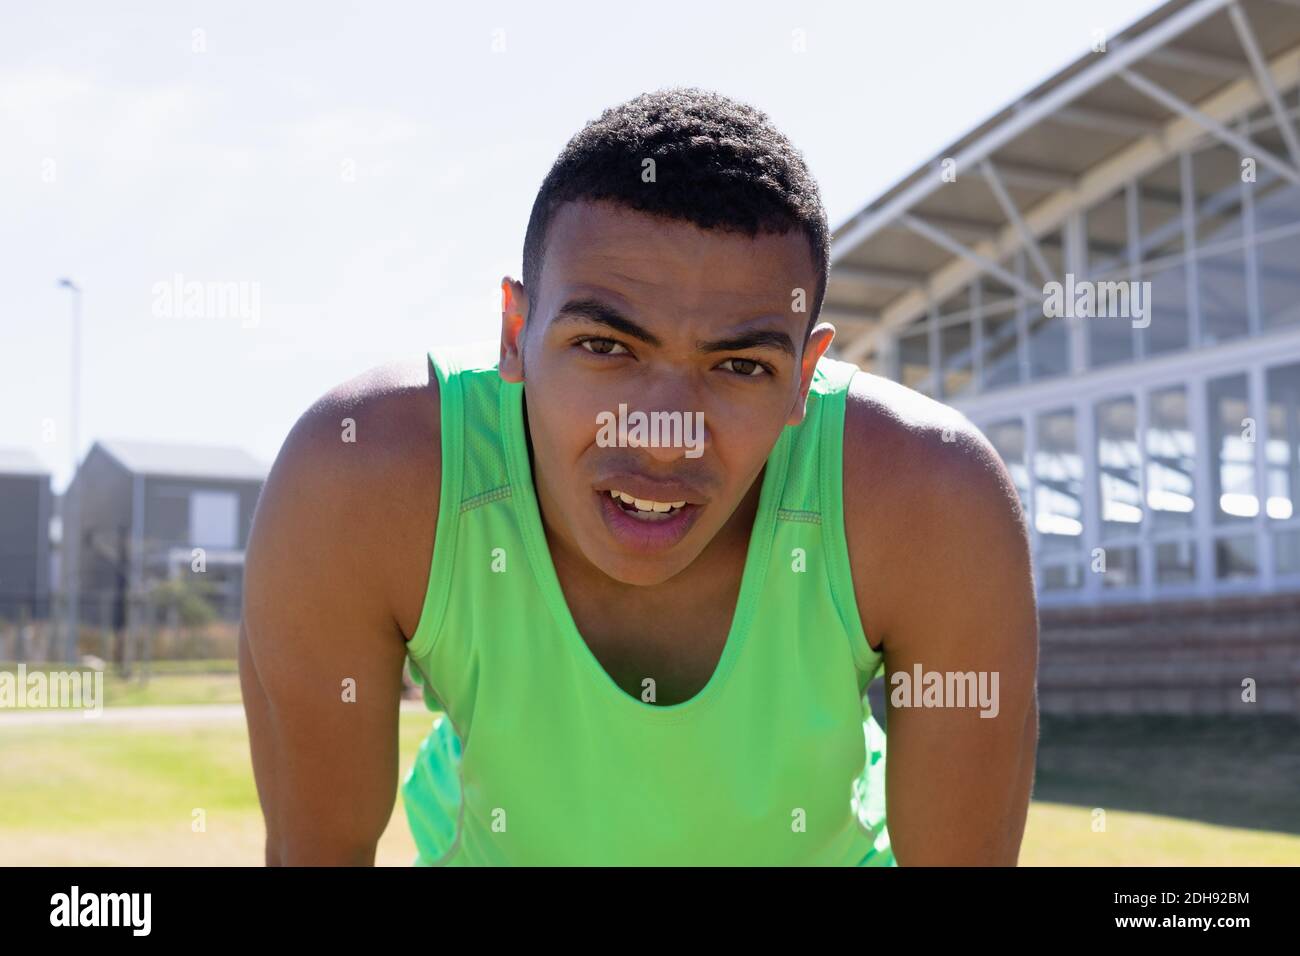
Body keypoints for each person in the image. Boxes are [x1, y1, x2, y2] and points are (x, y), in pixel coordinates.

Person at [239, 86, 1039, 866]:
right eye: (607, 348)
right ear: (515, 333)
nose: (663, 438)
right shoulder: (362, 474)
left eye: (738, 365)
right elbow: (316, 853)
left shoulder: (933, 497)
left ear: (803, 376)